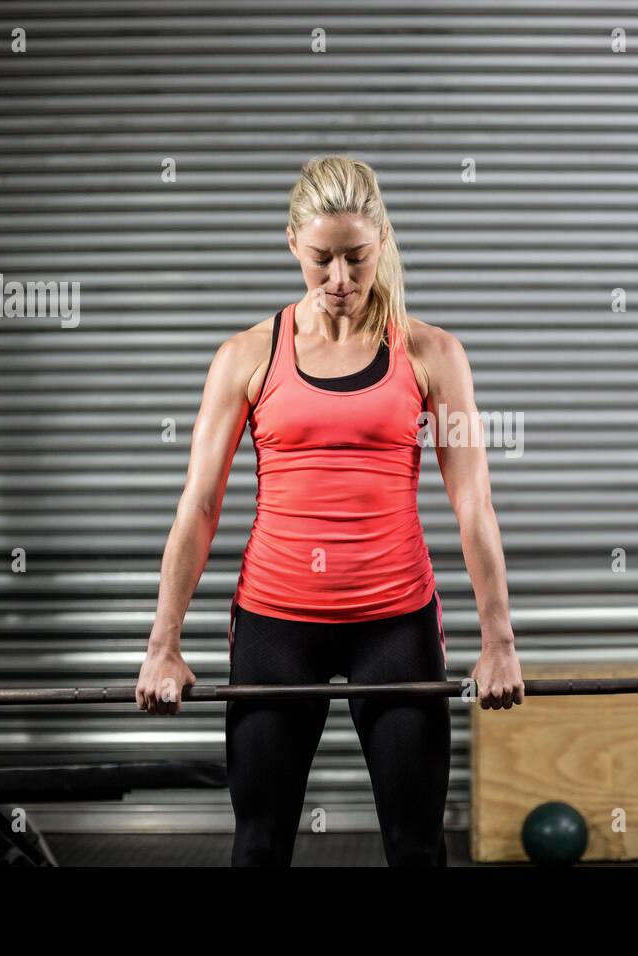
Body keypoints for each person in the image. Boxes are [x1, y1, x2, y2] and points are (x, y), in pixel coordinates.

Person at [134, 155, 525, 866]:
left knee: (417, 848)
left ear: (382, 239)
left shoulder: (434, 354)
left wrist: (499, 641)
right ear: (291, 243)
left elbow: (474, 504)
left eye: (357, 257)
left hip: (395, 625)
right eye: (320, 260)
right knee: (258, 848)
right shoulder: (246, 356)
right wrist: (164, 643)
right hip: (276, 626)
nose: (339, 280)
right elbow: (199, 504)